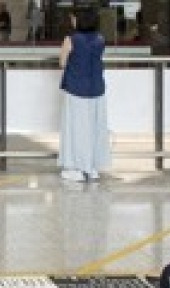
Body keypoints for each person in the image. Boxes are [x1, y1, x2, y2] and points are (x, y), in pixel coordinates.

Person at [58, 8, 110, 183]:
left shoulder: (71, 40)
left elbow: (62, 62)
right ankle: (92, 167)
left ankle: (77, 168)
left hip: (76, 90)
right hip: (96, 89)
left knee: (75, 129)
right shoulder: (100, 40)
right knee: (94, 128)